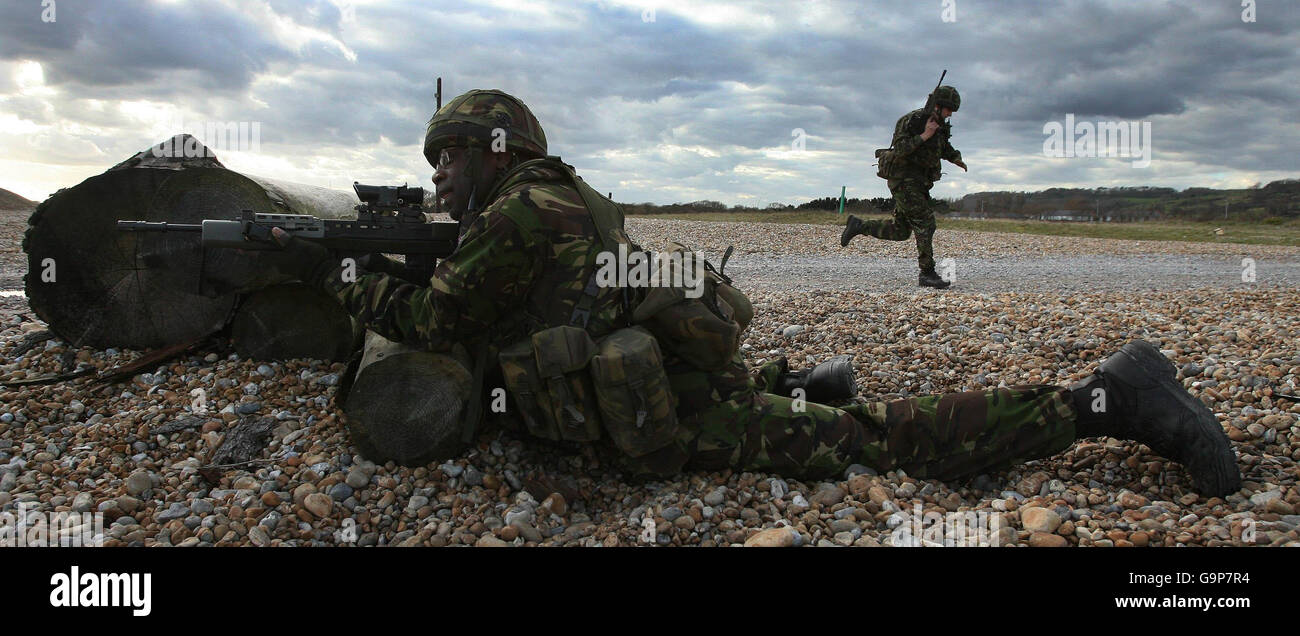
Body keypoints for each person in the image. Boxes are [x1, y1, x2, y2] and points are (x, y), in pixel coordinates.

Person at [264, 89, 1240, 497]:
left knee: (880, 446)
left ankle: (1104, 398)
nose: (434, 176)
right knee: (791, 414)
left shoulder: (524, 210)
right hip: (658, 383)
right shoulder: (543, 198)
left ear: (493, 150)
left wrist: (352, 284)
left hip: (672, 407)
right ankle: (801, 386)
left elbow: (441, 318)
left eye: (444, 158)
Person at [841, 85, 967, 289]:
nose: (950, 113)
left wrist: (956, 158)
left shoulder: (939, 125)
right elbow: (900, 150)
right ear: (938, 105)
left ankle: (858, 226)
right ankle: (927, 273)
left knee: (901, 231)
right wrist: (925, 134)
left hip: (920, 182)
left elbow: (943, 147)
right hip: (904, 180)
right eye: (948, 109)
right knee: (926, 223)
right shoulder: (912, 121)